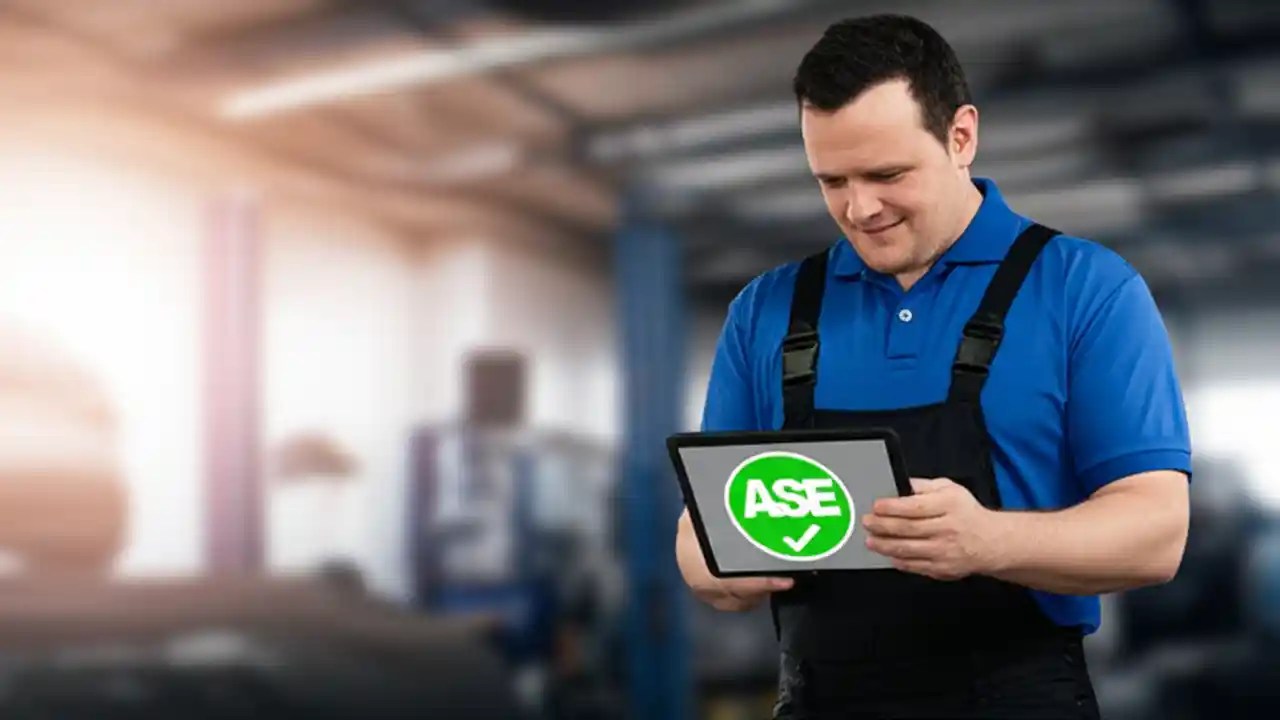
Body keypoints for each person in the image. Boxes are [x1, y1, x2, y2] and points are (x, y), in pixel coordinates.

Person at [674, 14, 1191, 719]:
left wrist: (987, 541)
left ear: (961, 138)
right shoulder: (765, 312)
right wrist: (719, 570)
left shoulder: (1084, 290)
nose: (859, 208)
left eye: (886, 174)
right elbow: (700, 530)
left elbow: (1156, 532)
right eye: (832, 180)